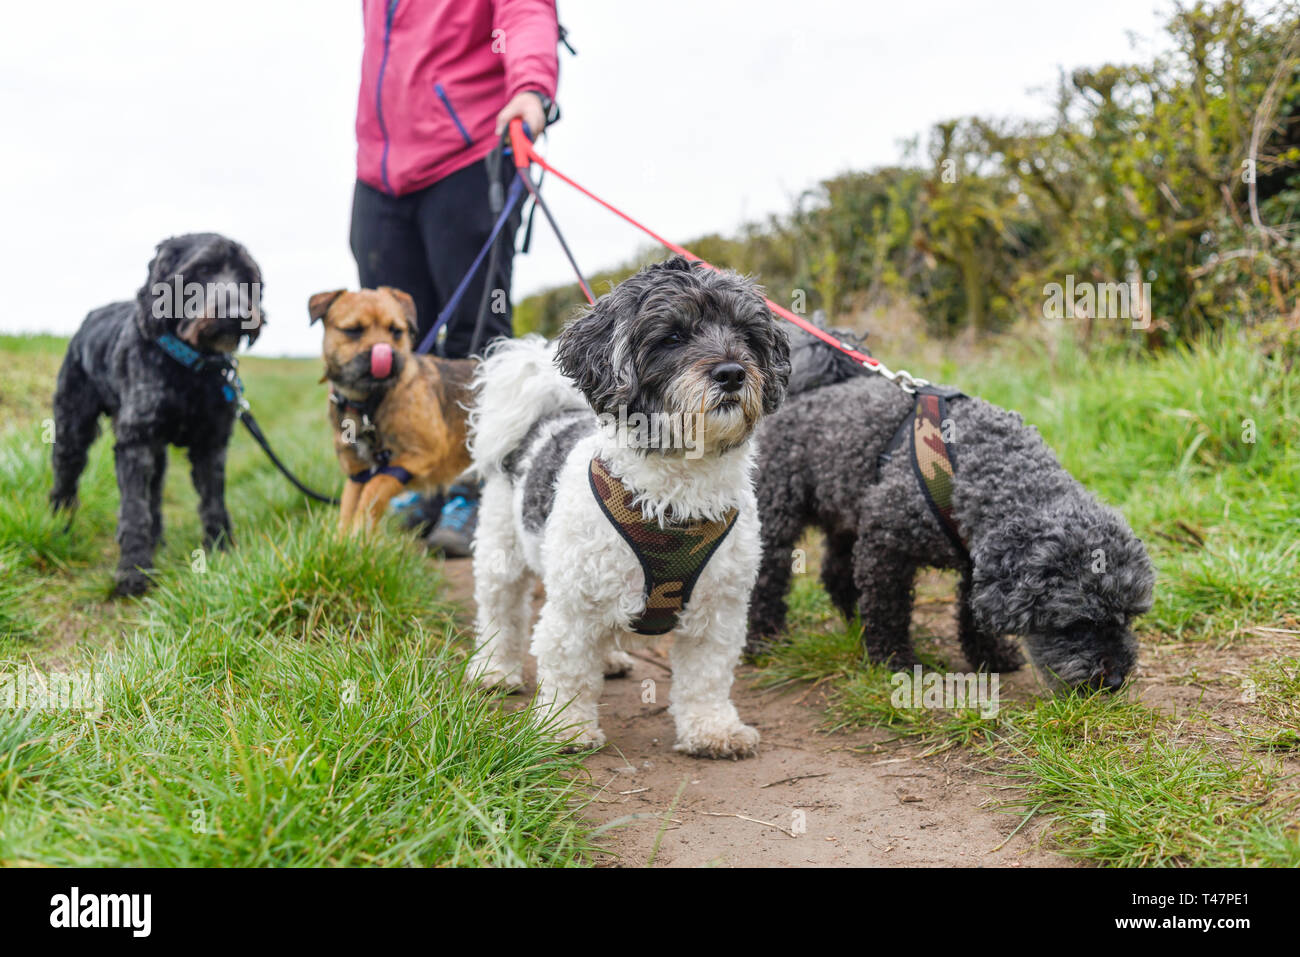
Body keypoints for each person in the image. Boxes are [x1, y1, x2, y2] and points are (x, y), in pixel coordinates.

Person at [350, 0, 560, 556]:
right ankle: (422, 479)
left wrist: (531, 87)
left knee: (476, 337)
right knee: (399, 347)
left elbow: (526, 12)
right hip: (380, 173)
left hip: (469, 156)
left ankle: (476, 490)